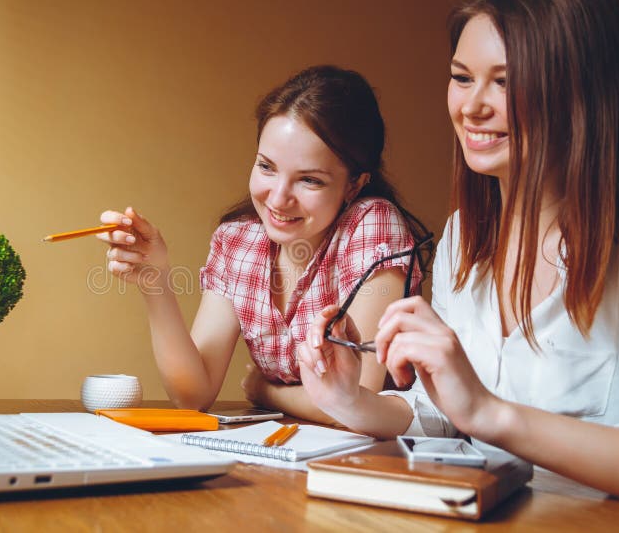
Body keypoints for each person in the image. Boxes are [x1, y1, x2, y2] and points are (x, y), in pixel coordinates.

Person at [297, 0, 619, 498]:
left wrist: (489, 413)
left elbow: (476, 410)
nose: (473, 106)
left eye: (505, 82)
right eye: (462, 77)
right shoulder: (463, 236)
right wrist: (349, 398)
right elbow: (446, 413)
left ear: (579, 93)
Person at [98, 65, 430, 423]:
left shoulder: (373, 224)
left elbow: (356, 399)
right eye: (267, 167)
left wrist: (267, 392)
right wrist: (156, 280)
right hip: (287, 455)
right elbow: (193, 394)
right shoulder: (239, 241)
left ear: (354, 184)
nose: (279, 198)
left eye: (309, 180)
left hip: (379, 458)